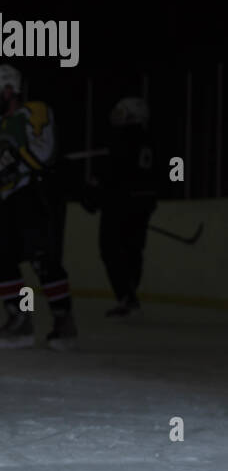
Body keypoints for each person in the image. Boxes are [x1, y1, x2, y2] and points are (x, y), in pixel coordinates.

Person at [0, 64, 77, 350]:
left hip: (37, 193)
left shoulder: (35, 111)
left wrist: (11, 160)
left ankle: (63, 320)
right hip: (10, 199)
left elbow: (45, 151)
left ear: (9, 90)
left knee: (43, 257)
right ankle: (19, 320)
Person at [81, 97, 157, 317]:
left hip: (120, 203)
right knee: (134, 250)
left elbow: (112, 172)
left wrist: (93, 196)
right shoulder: (148, 140)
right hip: (142, 202)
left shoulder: (122, 138)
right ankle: (129, 294)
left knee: (110, 248)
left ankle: (126, 295)